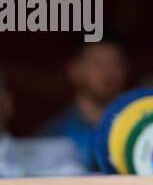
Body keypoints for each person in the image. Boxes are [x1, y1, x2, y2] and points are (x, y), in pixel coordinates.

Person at [37, 38, 129, 171]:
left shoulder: (137, 130)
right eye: (97, 63)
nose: (107, 72)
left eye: (115, 63)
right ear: (74, 70)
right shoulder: (53, 135)